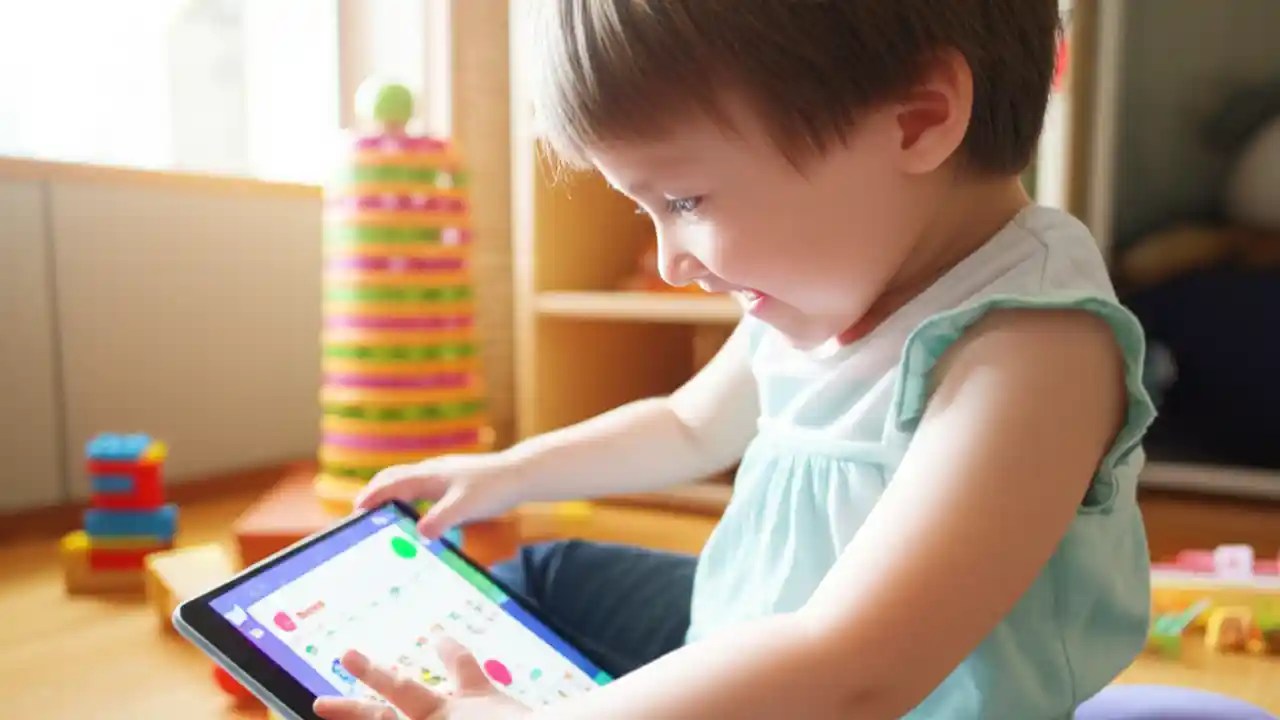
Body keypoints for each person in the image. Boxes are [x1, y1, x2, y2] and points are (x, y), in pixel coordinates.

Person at [315, 1, 1156, 718]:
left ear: (919, 120)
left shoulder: (1036, 347)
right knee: (547, 572)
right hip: (756, 635)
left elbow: (855, 670)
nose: (673, 262)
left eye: (685, 201)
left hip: (857, 694)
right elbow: (686, 426)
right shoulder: (826, 288)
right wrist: (508, 471)